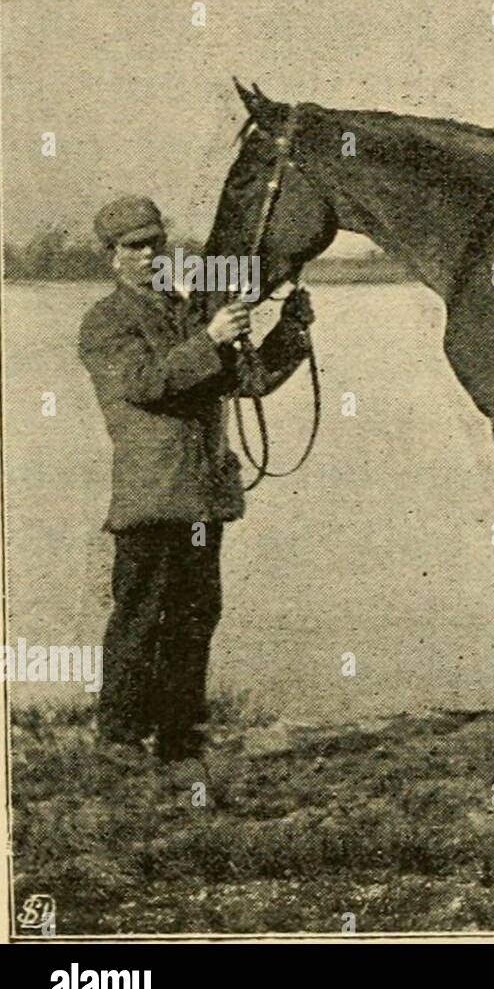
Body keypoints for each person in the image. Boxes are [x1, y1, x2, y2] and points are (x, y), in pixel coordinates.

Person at [77, 195, 313, 779]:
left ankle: (181, 738)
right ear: (112, 257)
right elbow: (146, 383)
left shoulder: (183, 313)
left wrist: (290, 332)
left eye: (156, 242)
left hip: (204, 494)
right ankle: (120, 738)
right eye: (135, 247)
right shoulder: (106, 321)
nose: (150, 254)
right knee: (142, 614)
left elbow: (248, 383)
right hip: (151, 496)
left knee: (196, 613)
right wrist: (209, 338)